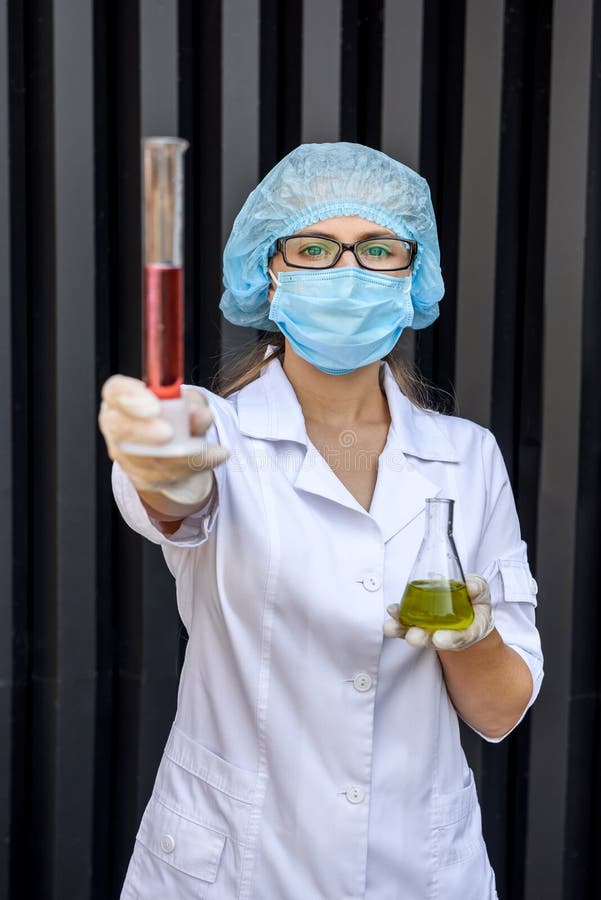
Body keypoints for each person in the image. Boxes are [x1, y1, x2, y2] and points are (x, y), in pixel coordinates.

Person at [99, 142, 543, 900]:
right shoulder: (220, 435)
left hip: (418, 867)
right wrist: (160, 463)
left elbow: (499, 710)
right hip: (236, 866)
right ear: (268, 273)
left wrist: (472, 636)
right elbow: (177, 501)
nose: (346, 272)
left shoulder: (467, 459)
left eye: (376, 249)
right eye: (312, 248)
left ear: (413, 276)